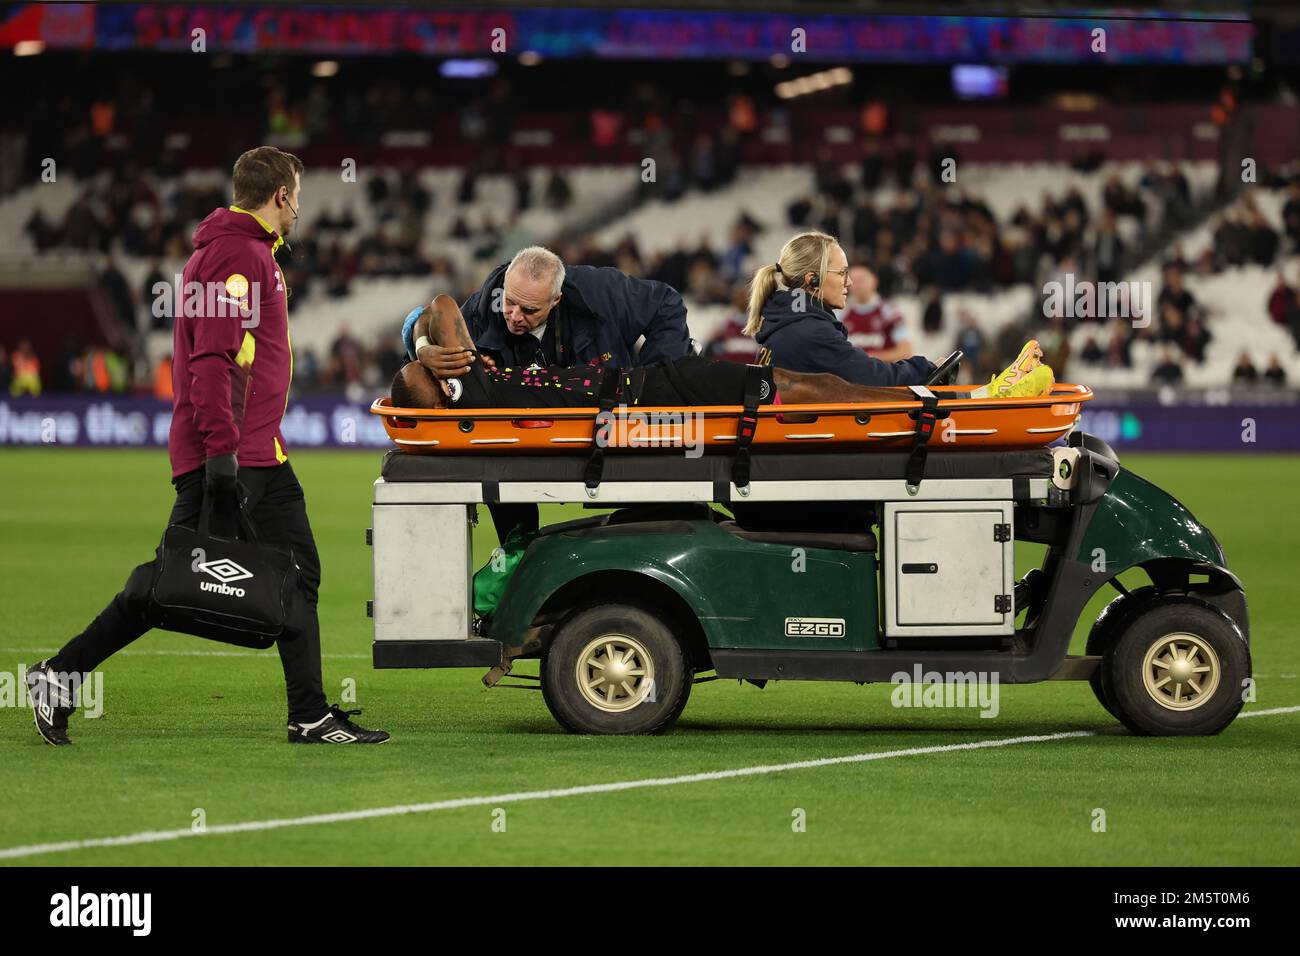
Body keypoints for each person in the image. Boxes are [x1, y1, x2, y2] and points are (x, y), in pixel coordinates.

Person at [25, 146, 388, 747]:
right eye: (295, 194)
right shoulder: (235, 257)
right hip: (232, 457)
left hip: (258, 454)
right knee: (168, 585)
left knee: (297, 574)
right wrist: (222, 459)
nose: (299, 207)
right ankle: (59, 678)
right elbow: (212, 362)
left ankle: (310, 714)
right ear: (280, 196)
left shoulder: (240, 254)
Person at [402, 246, 692, 542]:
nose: (514, 316)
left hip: (610, 424)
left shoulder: (599, 292)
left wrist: (654, 386)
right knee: (491, 453)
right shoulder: (481, 312)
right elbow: (429, 318)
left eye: (529, 310)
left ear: (557, 300)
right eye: (510, 302)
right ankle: (517, 548)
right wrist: (423, 345)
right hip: (526, 440)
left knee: (662, 520)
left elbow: (666, 303)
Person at [391, 295, 1057, 413]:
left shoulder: (472, 371)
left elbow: (445, 303)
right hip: (648, 393)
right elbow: (413, 377)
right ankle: (927, 398)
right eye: (429, 364)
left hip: (647, 383)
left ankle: (933, 394)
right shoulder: (460, 391)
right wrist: (423, 355)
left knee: (790, 384)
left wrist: (430, 339)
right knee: (792, 389)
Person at [745, 231, 935, 386]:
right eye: (842, 273)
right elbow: (872, 378)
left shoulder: (788, 321)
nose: (850, 282)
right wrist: (925, 369)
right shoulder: (811, 331)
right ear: (812, 279)